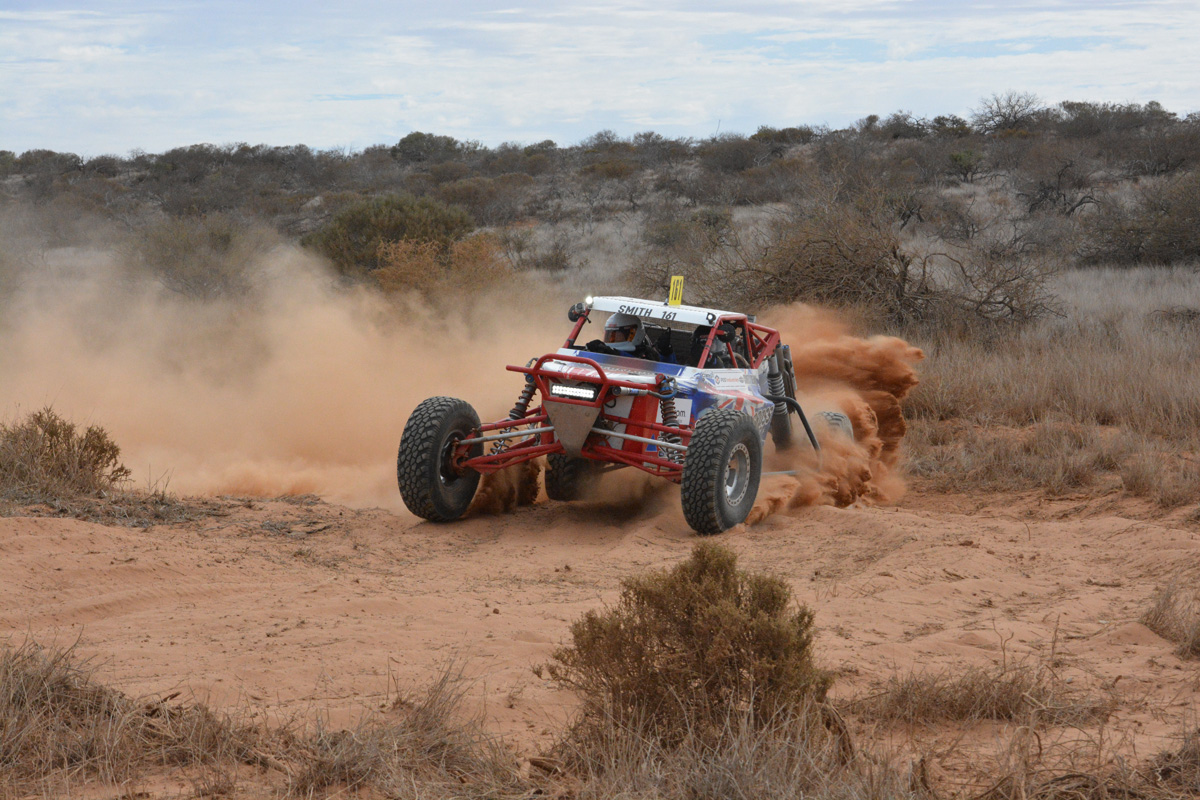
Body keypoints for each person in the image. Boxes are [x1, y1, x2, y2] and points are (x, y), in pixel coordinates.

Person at [584, 313, 662, 361]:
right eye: (610, 335)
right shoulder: (605, 351)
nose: (612, 339)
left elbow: (635, 362)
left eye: (617, 336)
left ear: (634, 334)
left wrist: (613, 353)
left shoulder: (647, 355)